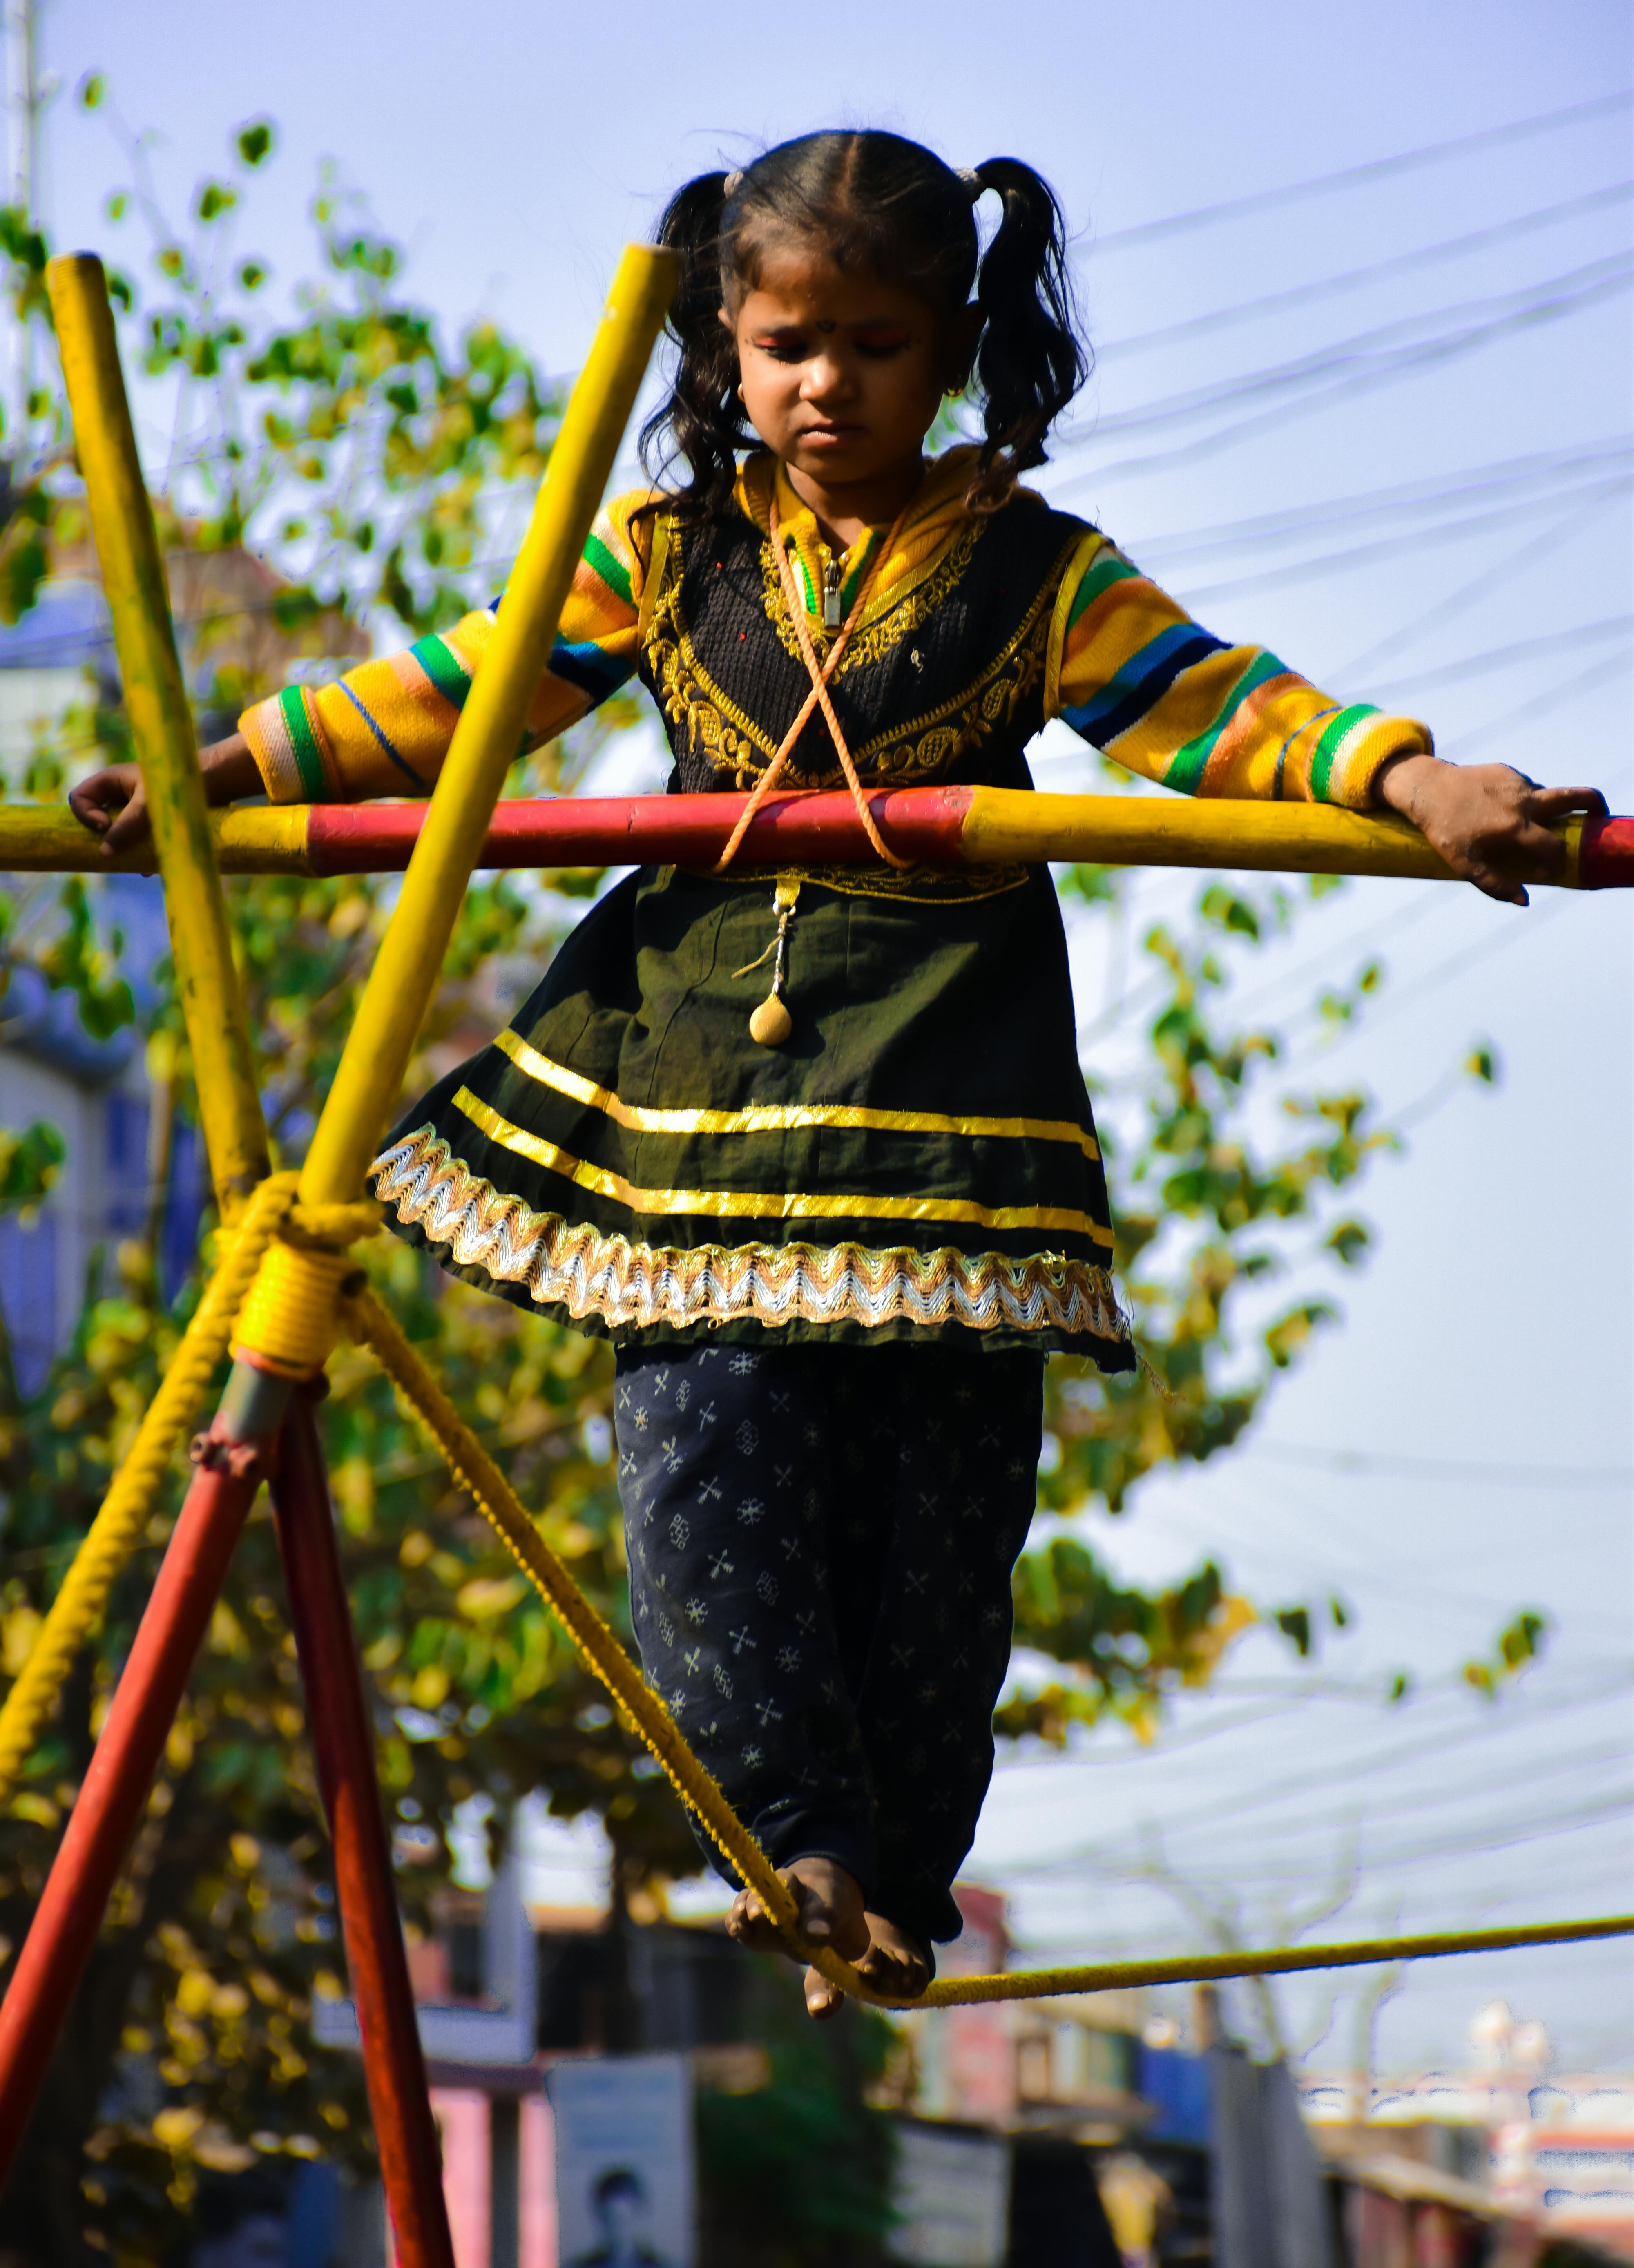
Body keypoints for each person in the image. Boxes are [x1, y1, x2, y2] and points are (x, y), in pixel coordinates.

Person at [70, 130, 1604, 2020]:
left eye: (875, 344)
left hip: (945, 1102)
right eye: (789, 343)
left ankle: (889, 1871)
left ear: (950, 349)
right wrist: (216, 773)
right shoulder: (664, 555)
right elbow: (451, 693)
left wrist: (1420, 786)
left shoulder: (1035, 570)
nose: (826, 386)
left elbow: (1222, 710)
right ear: (725, 339)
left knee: (940, 1523)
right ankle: (788, 1838)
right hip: (700, 1084)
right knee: (706, 1476)